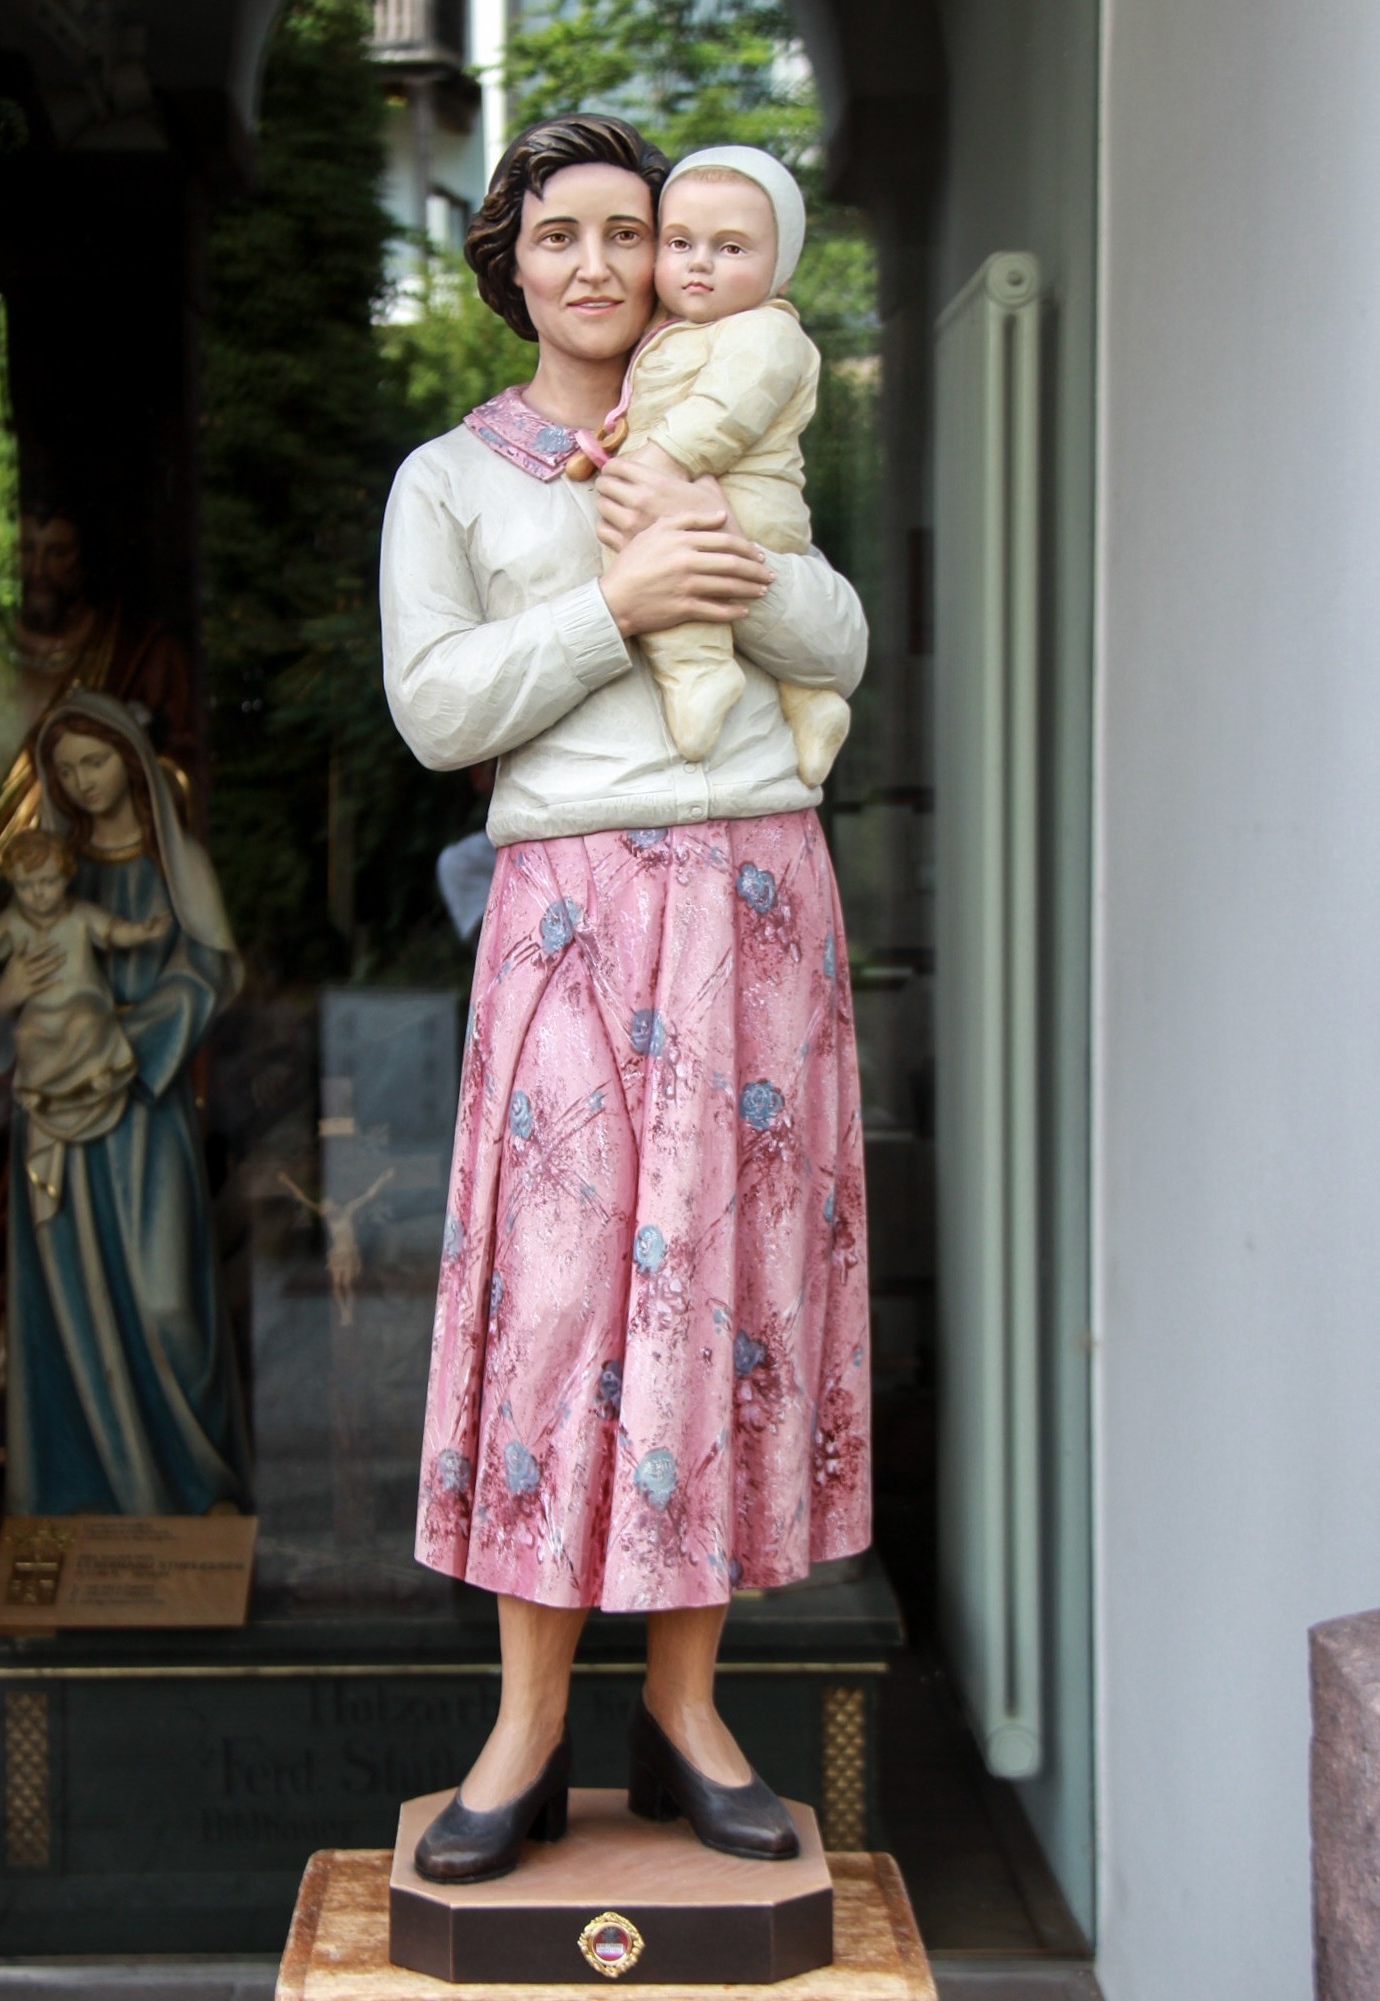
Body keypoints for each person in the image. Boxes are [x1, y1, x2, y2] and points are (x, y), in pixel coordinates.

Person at [380, 114, 872, 1884]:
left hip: (753, 892)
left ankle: (686, 1707)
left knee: (720, 1294)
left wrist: (731, 567)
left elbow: (836, 644)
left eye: (632, 232)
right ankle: (522, 1726)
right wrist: (616, 601)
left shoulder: (746, 415)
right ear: (509, 254)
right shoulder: (455, 478)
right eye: (561, 233)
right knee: (566, 1301)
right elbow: (437, 712)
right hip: (572, 910)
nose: (601, 264)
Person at [0, 691, 251, 1517]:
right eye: (65, 770)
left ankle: (196, 1496)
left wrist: (131, 1037)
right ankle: (81, 1504)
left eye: (94, 761)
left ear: (130, 760)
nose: (81, 780)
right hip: (61, 1112)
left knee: (167, 1298)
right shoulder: (51, 870)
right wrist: (15, 997)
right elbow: (5, 996)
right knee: (67, 1310)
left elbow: (213, 970)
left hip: (145, 1106)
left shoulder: (179, 864)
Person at [573, 145, 851, 785]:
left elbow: (728, 409)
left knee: (651, 556)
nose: (699, 263)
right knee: (703, 586)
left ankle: (698, 674)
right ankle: (813, 706)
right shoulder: (680, 334)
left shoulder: (767, 332)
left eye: (731, 248)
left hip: (746, 500)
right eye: (679, 243)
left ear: (779, 270)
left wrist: (656, 461)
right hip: (716, 492)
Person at [0, 495, 202, 882]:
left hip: (101, 885)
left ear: (86, 558)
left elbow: (185, 774)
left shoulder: (139, 655)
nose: (37, 570)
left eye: (58, 552)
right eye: (25, 549)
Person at [0, 827, 167, 1224]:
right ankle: (37, 1092)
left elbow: (115, 931)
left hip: (82, 1004)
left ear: (66, 877)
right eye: (26, 886)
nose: (38, 894)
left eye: (48, 882)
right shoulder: (14, 923)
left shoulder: (79, 916)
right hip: (40, 1013)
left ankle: (103, 1073)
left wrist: (142, 931)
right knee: (28, 1036)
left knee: (88, 1026)